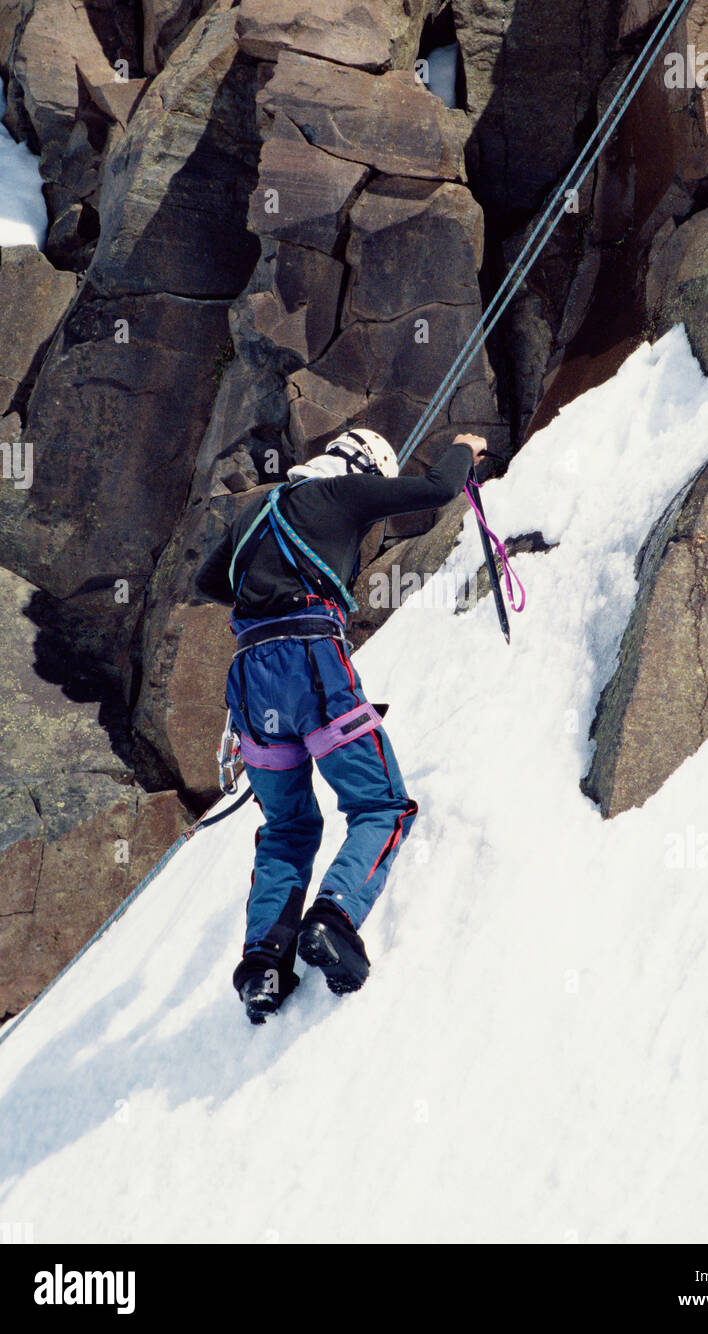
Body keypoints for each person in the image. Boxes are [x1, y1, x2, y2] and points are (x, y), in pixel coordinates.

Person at [195, 427, 487, 1022]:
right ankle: (331, 920)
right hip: (312, 666)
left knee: (287, 828)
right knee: (380, 806)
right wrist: (466, 446)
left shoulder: (258, 512)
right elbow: (438, 488)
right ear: (363, 470)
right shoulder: (344, 494)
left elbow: (206, 582)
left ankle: (263, 971)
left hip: (252, 682)